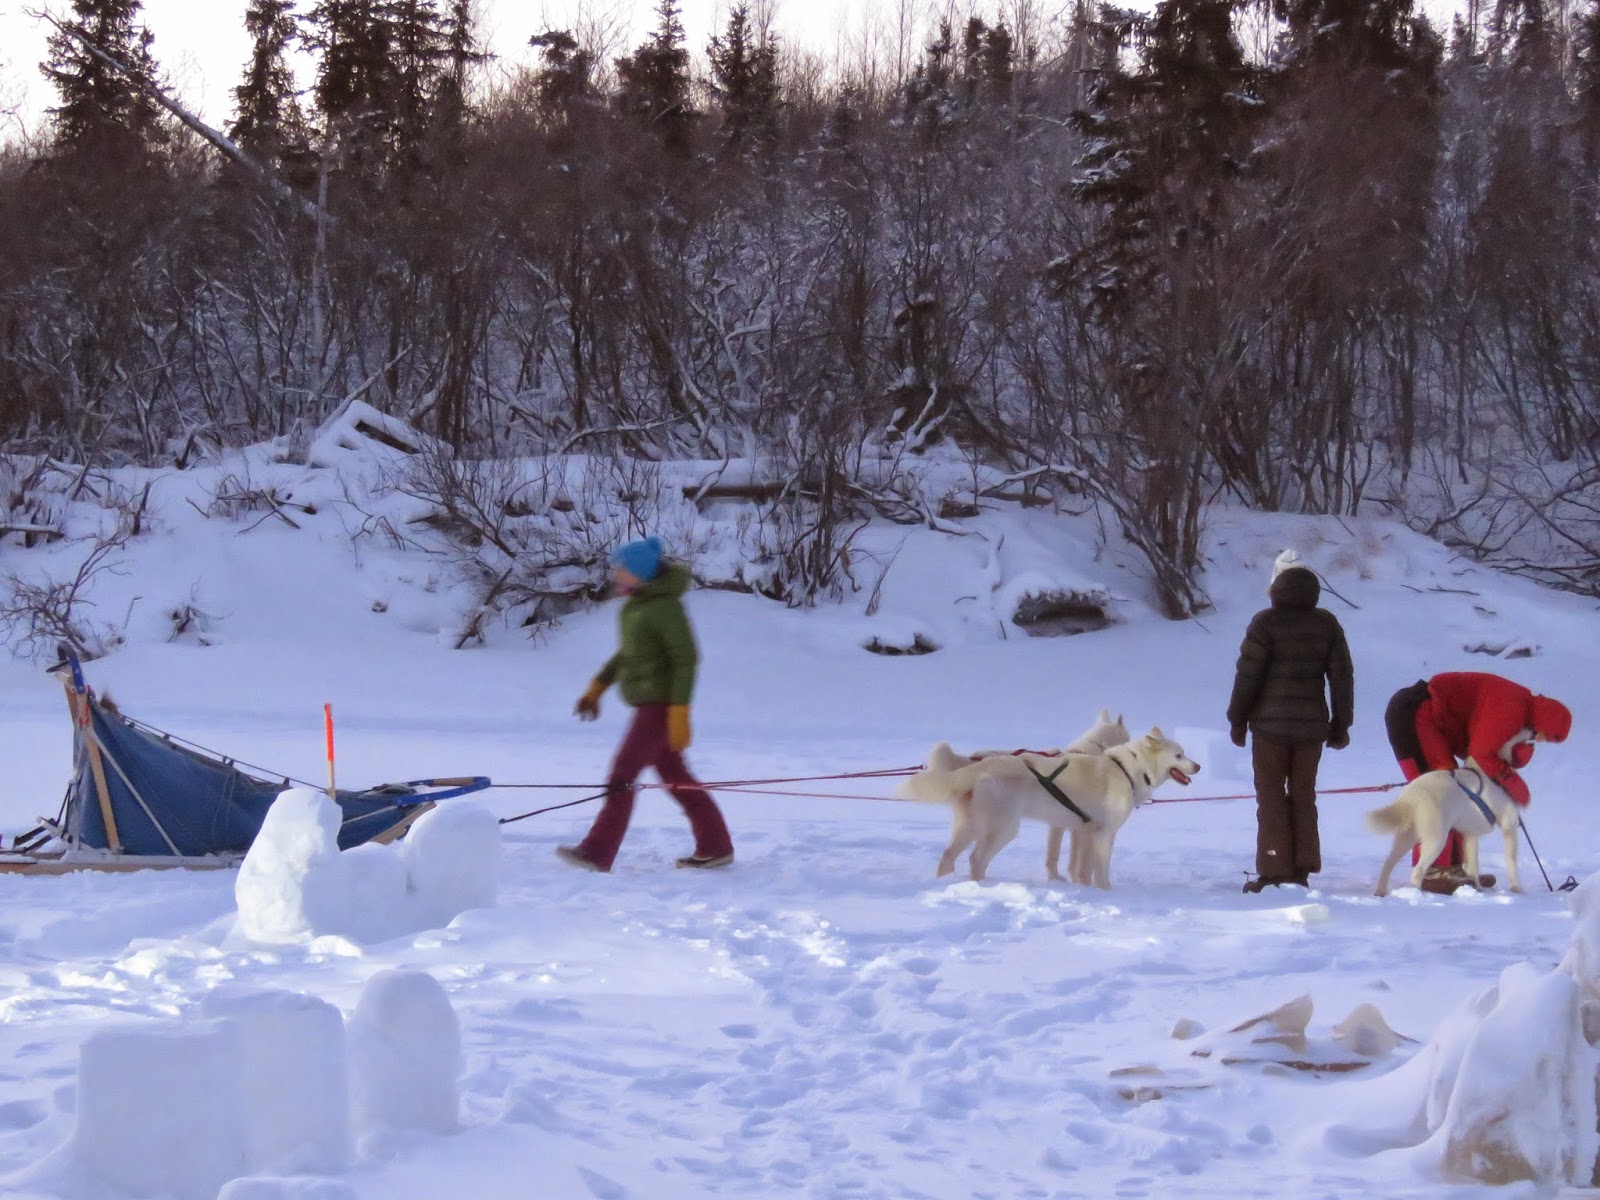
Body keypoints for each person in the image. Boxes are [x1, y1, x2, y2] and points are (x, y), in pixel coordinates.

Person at [557, 536, 735, 873]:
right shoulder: (635, 607)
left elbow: (686, 659)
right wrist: (596, 688)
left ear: (639, 572)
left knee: (622, 775)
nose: (616, 573)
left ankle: (597, 851)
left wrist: (680, 711)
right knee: (677, 779)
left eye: (621, 568)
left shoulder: (665, 607)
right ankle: (716, 845)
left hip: (660, 707)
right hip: (649, 706)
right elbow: (628, 655)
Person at [1227, 556, 1354, 893]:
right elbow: (1342, 677)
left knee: (1270, 796)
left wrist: (1237, 720)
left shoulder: (1265, 623)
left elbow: (1247, 676)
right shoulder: (1326, 624)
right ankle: (1301, 868)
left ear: (1275, 590)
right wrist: (1342, 724)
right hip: (1311, 728)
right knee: (1303, 794)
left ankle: (1273, 868)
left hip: (1269, 728)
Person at [1383, 671, 1571, 893]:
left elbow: (1478, 748)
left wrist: (1507, 761)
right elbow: (1481, 753)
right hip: (1416, 714)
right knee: (1443, 791)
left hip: (1428, 717)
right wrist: (1513, 784)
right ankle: (1434, 870)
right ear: (1546, 720)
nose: (1540, 739)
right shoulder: (1512, 708)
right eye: (1546, 735)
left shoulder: (1519, 708)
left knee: (1456, 791)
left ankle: (1453, 868)